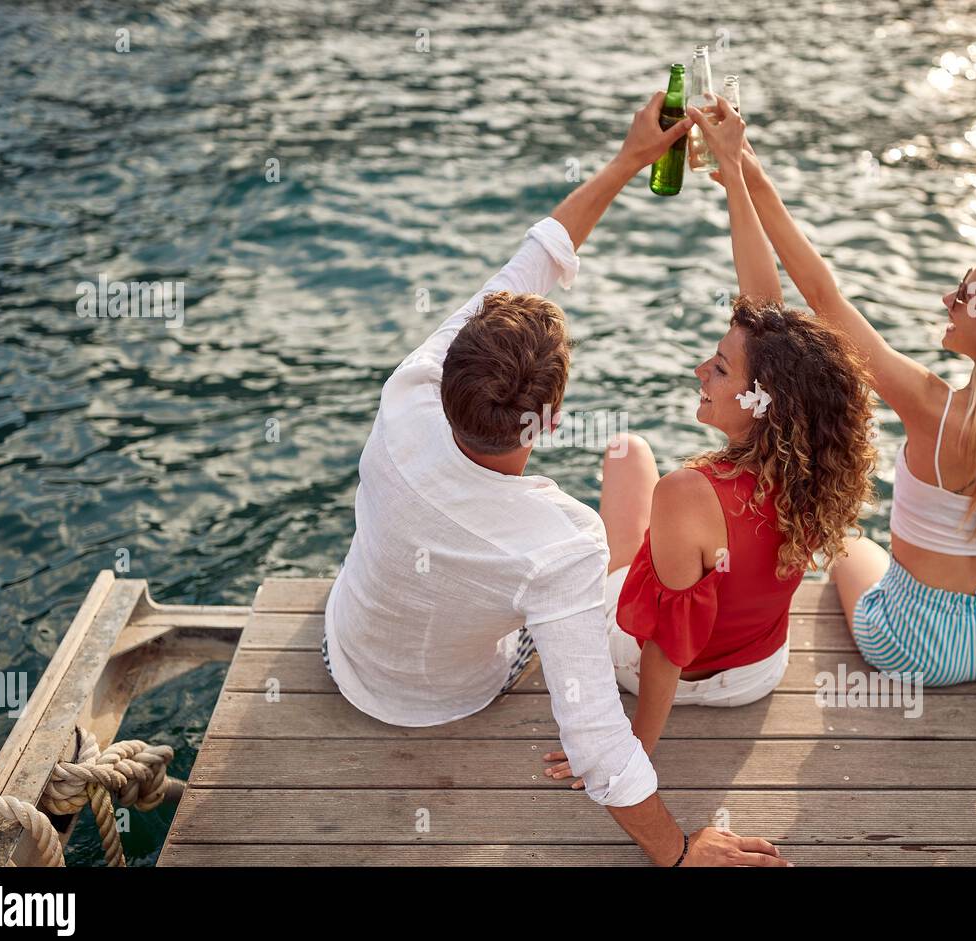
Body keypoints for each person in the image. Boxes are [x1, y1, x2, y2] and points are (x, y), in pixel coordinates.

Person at [323, 91, 785, 866]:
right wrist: (677, 853)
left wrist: (627, 159)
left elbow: (528, 260)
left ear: (450, 376)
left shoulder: (408, 389)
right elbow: (599, 744)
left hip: (346, 657)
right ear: (553, 419)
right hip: (455, 697)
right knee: (581, 586)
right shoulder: (561, 541)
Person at [694, 97, 976, 686]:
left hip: (912, 645)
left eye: (965, 293)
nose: (949, 299)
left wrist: (747, 176)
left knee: (846, 551)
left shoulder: (931, 406)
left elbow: (823, 298)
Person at [543, 94, 877, 788]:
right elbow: (765, 313)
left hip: (667, 676)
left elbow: (667, 646)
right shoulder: (812, 447)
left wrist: (631, 750)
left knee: (623, 465)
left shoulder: (691, 492)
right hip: (755, 672)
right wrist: (732, 166)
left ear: (759, 400)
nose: (701, 369)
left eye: (718, 367)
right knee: (630, 454)